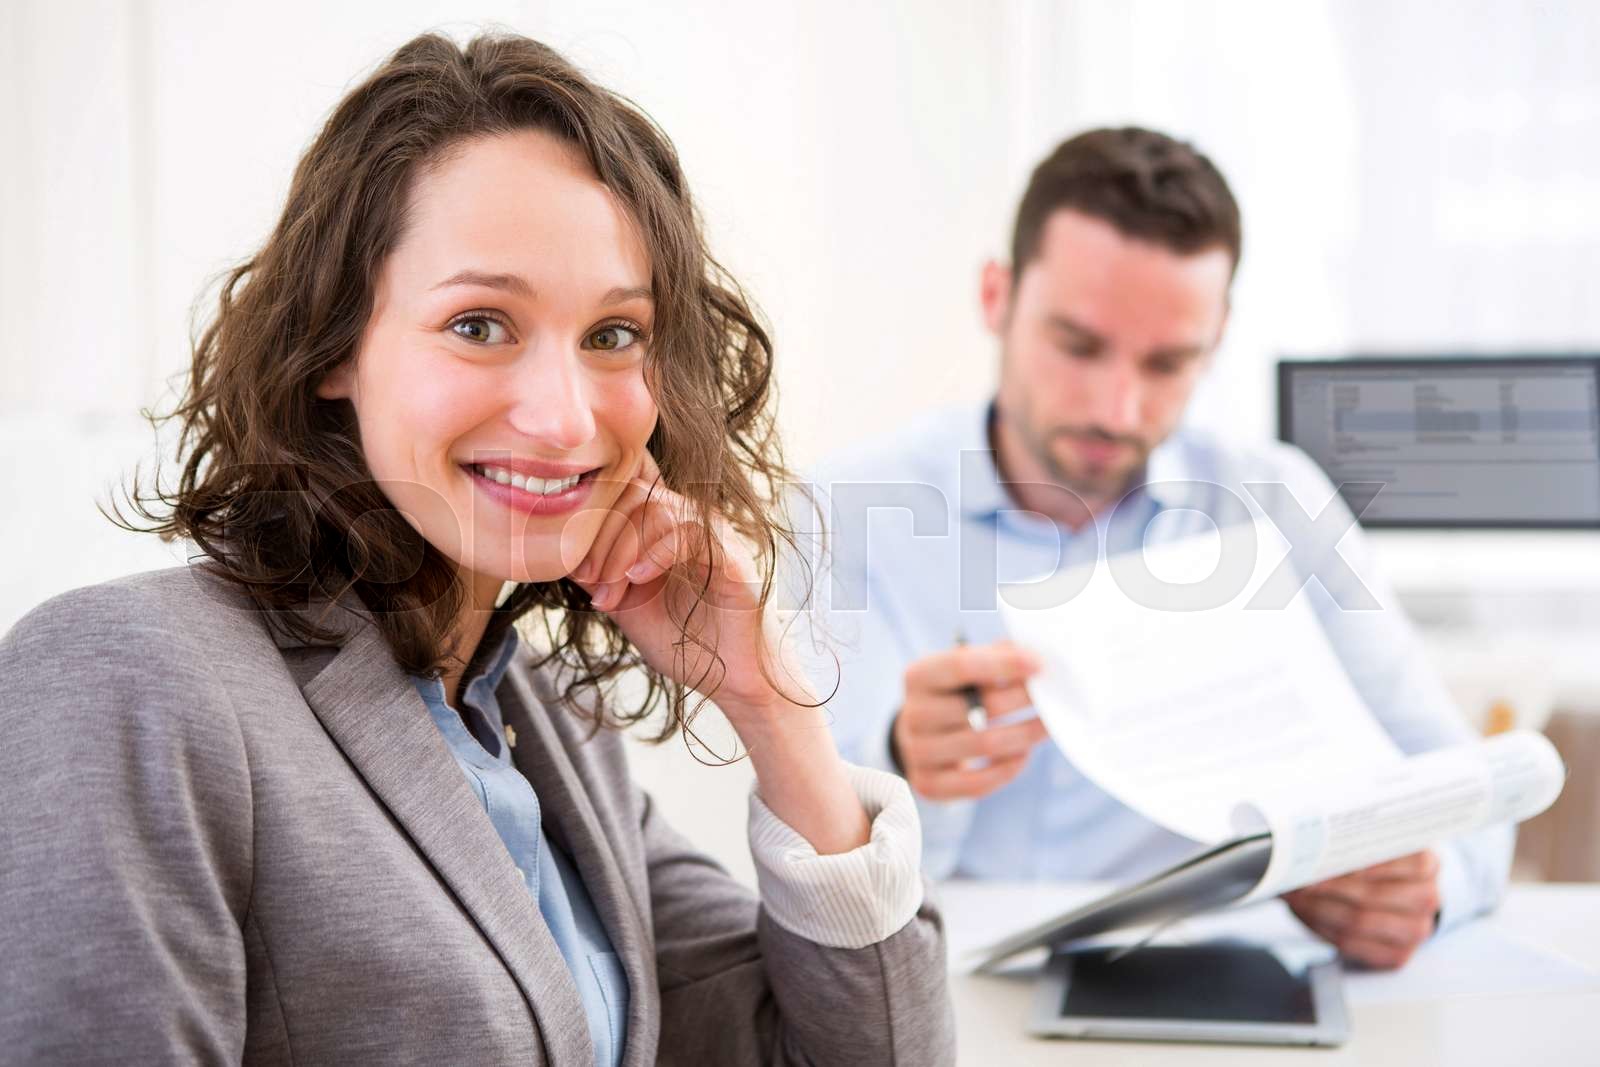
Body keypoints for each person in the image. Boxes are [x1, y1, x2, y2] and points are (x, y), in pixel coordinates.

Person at [0, 32, 953, 1065]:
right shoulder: (125, 676)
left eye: (613, 334)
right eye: (480, 324)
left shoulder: (548, 729)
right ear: (334, 343)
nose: (563, 416)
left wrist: (772, 702)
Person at [802, 127, 1512, 971]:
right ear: (997, 296)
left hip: (1216, 979)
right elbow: (809, 862)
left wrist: (1425, 889)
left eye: (1169, 363)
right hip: (941, 977)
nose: (1118, 408)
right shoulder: (851, 510)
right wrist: (903, 762)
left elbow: (1472, 794)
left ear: (1217, 337)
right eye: (1078, 345)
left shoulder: (1278, 504)